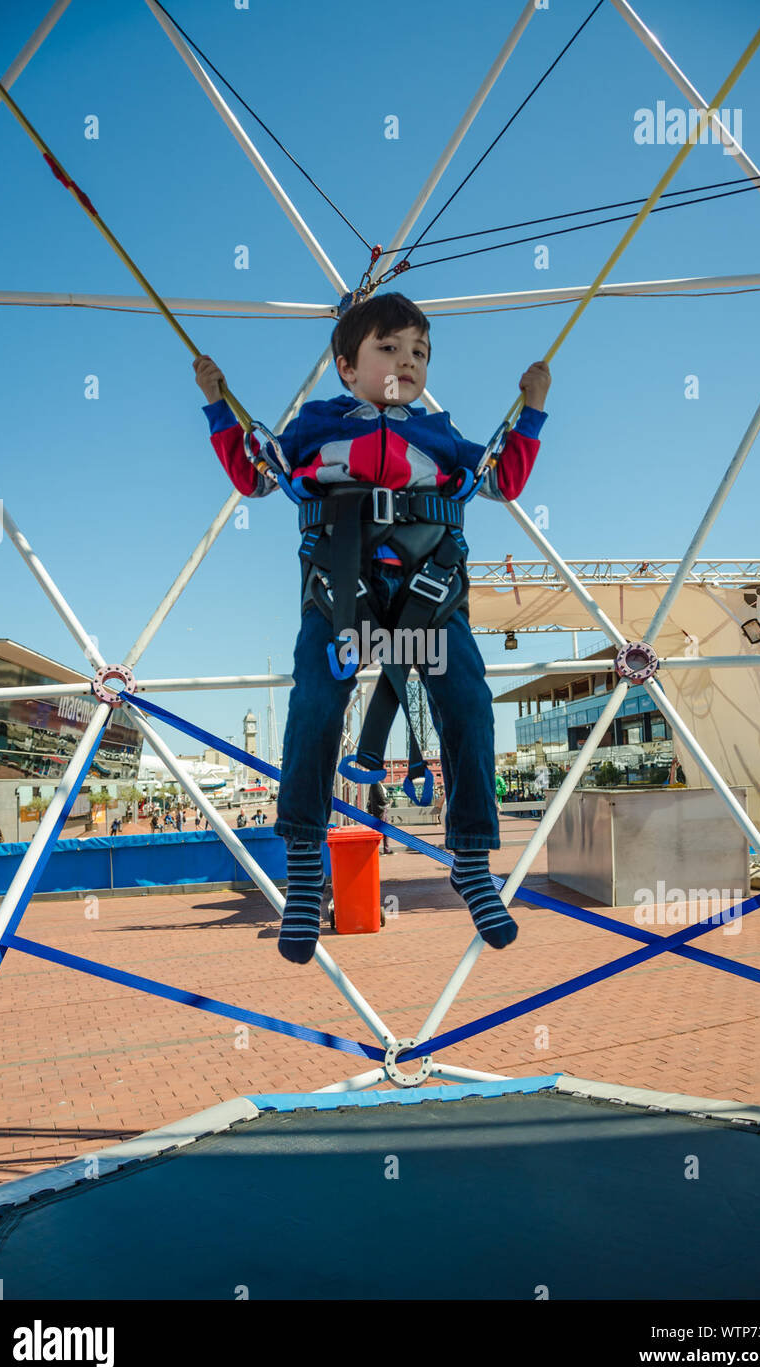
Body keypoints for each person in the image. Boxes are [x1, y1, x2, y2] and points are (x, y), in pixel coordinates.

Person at [195, 292, 551, 964]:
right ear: (345, 366)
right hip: (342, 595)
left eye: (418, 352)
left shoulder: (439, 434)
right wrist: (217, 402)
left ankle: (470, 857)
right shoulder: (313, 427)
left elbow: (502, 481)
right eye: (388, 348)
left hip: (428, 593)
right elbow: (254, 476)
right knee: (314, 707)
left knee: (469, 705)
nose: (407, 362)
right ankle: (305, 864)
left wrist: (531, 409)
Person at [367, 780, 393, 854]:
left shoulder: (375, 783)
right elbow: (381, 798)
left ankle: (386, 849)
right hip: (380, 811)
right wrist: (389, 801)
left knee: (385, 831)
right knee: (379, 831)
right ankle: (377, 850)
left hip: (381, 810)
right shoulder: (375, 784)